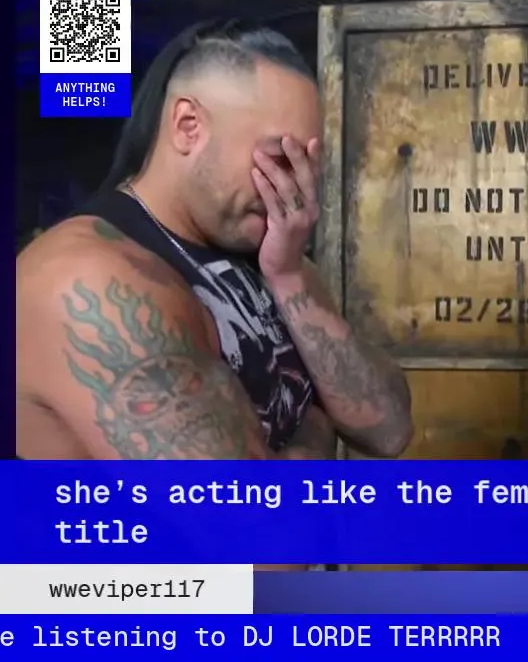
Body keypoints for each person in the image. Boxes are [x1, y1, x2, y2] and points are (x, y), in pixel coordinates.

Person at [16, 23, 412, 463]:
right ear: (188, 127)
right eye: (279, 157)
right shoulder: (91, 282)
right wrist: (316, 425)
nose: (294, 186)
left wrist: (289, 275)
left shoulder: (269, 253)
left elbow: (389, 430)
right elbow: (241, 504)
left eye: (305, 163)